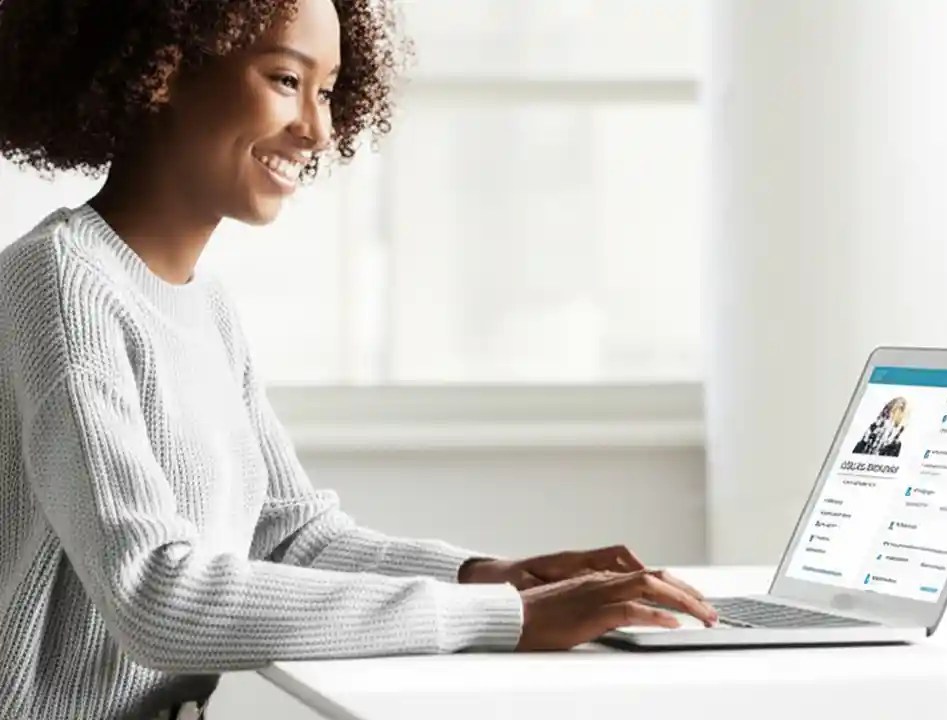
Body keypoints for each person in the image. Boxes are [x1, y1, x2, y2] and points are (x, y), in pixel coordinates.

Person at [0, 1, 717, 718]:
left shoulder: (204, 306)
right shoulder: (61, 284)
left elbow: (288, 537)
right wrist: (503, 619)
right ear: (162, 69)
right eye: (286, 80)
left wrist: (495, 578)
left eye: (328, 92)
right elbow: (156, 596)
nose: (317, 129)